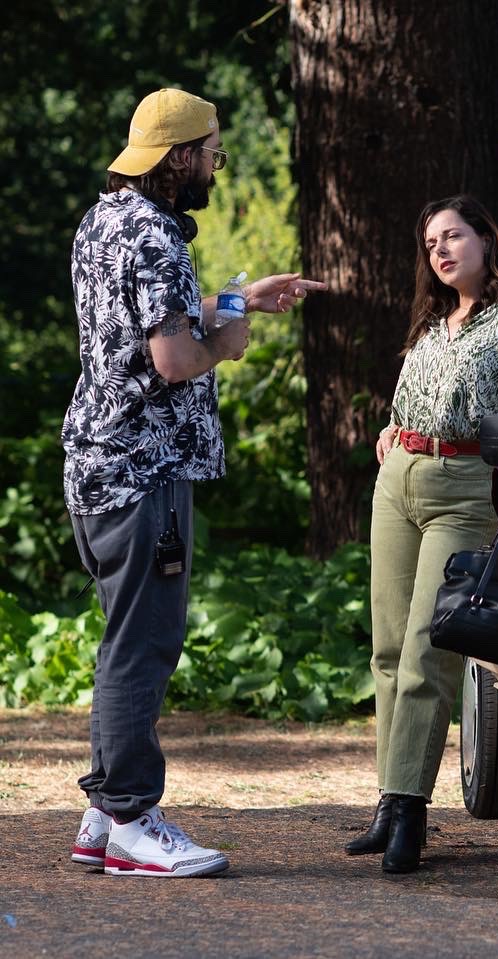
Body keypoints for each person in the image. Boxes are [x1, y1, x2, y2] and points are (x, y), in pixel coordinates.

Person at [62, 87, 326, 877]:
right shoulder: (156, 235)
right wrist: (229, 341)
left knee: (123, 638)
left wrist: (238, 298)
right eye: (212, 152)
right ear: (179, 157)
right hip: (145, 470)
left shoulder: (104, 221)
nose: (216, 165)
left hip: (97, 464)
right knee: (144, 644)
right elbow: (174, 356)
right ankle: (132, 819)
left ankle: (102, 816)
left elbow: (146, 317)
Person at [349, 194, 498, 873]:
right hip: (398, 480)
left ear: (485, 238)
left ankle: (410, 810)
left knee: (428, 647)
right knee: (388, 650)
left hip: (463, 487)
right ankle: (388, 803)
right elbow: (411, 399)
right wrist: (391, 429)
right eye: (431, 244)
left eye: (453, 236)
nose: (441, 251)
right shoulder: (432, 321)